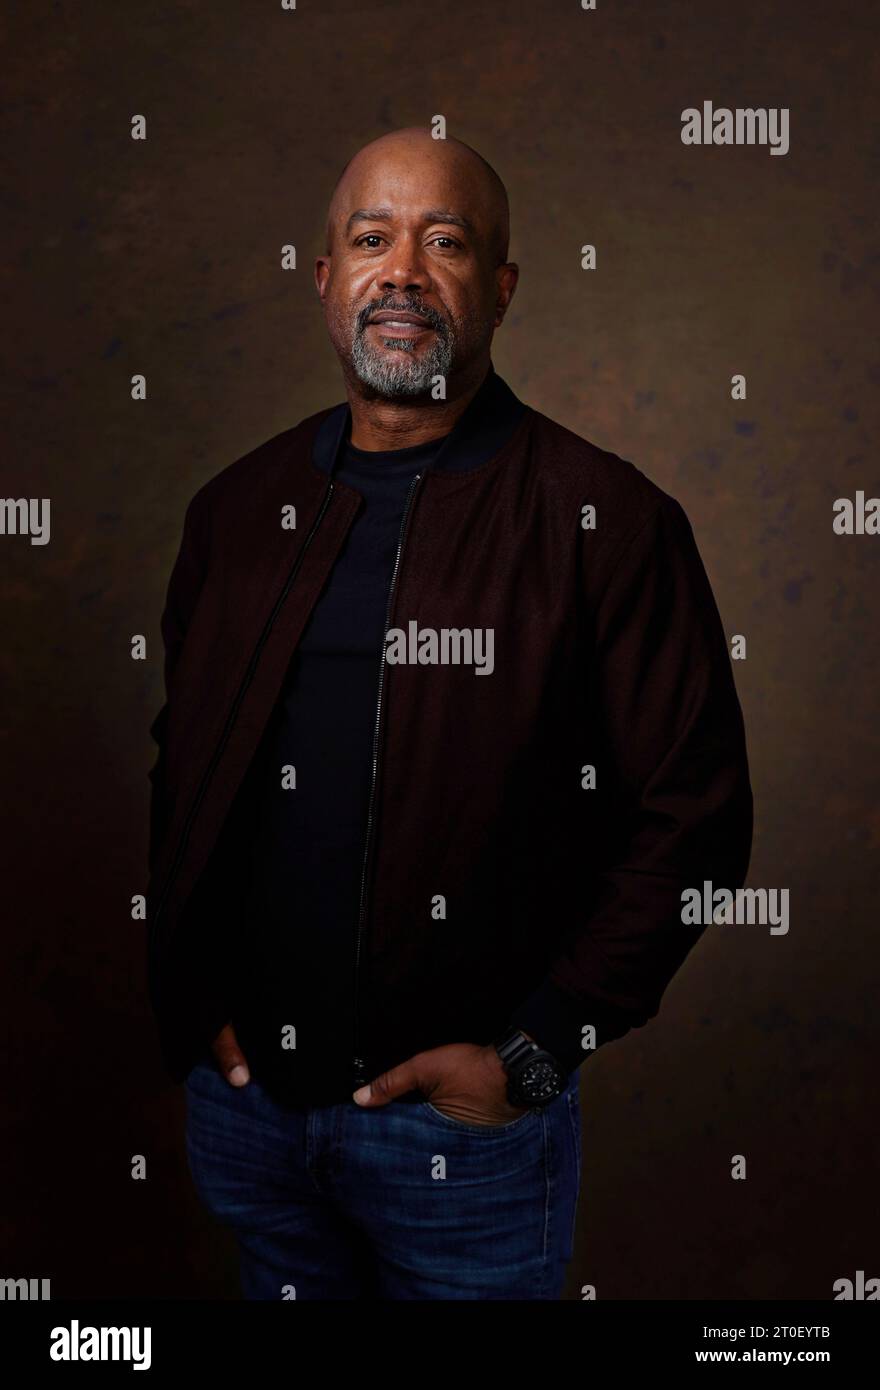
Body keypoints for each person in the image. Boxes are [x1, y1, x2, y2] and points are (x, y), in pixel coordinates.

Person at [146, 126, 753, 1300]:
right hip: (249, 1120)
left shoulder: (604, 523)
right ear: (326, 278)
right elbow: (187, 770)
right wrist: (195, 1008)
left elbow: (695, 820)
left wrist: (531, 1055)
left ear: (503, 286)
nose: (404, 272)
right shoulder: (236, 513)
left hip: (463, 1145)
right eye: (371, 239)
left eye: (447, 242)